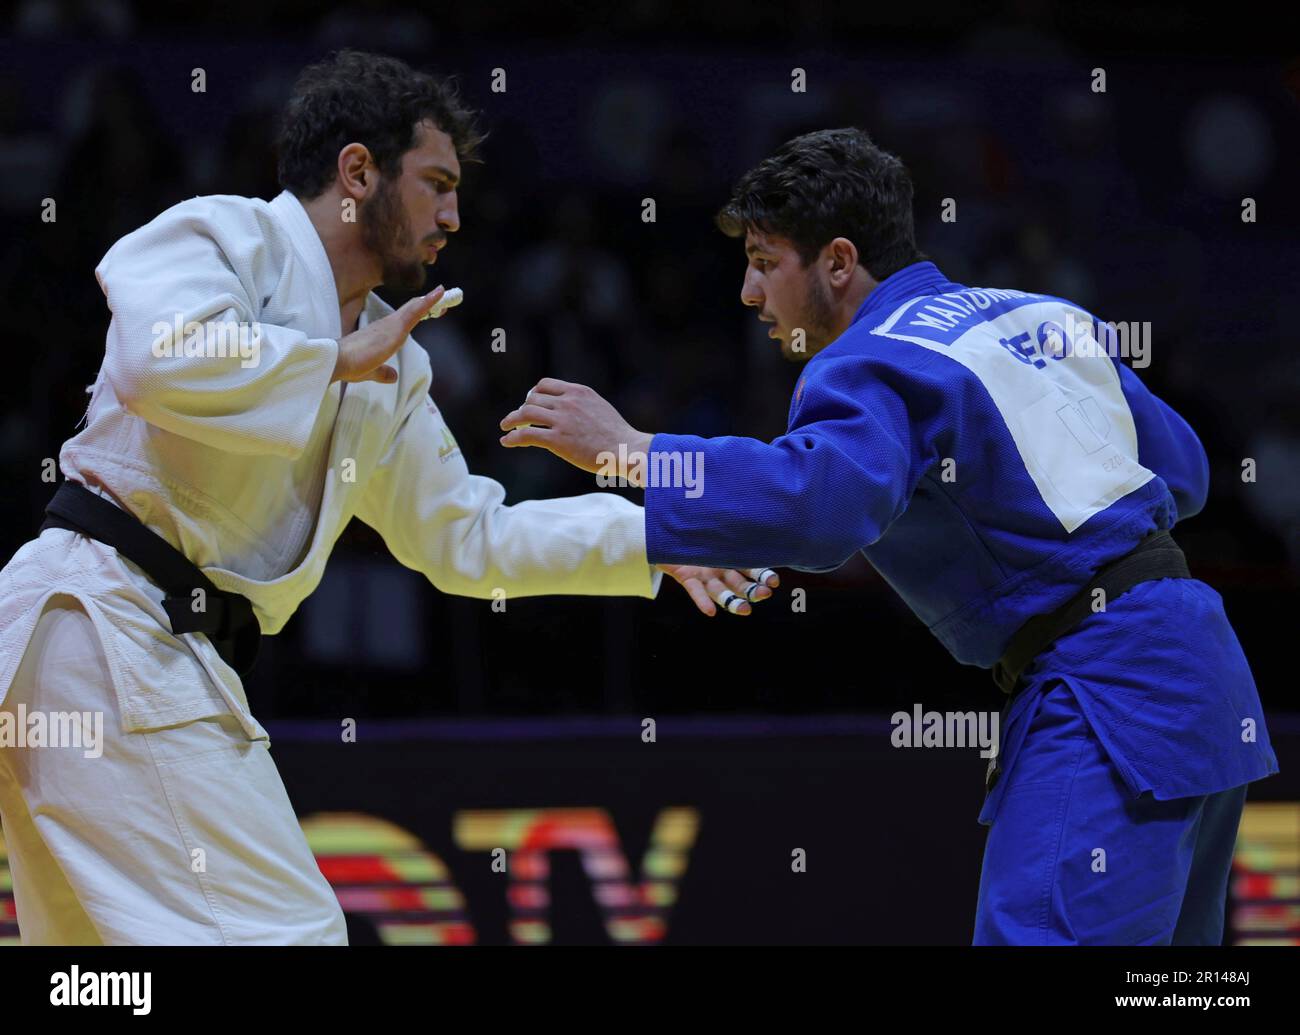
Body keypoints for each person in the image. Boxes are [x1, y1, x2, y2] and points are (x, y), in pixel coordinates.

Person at [0, 49, 776, 946]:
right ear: (357, 172)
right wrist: (331, 362)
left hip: (129, 655)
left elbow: (471, 539)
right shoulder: (225, 237)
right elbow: (154, 362)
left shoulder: (391, 359)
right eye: (436, 183)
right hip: (104, 628)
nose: (452, 215)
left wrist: (656, 537)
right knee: (288, 937)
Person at [498, 127, 1280, 945]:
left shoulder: (869, 361)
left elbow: (819, 507)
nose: (747, 292)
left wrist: (637, 452)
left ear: (838, 262)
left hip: (1105, 691)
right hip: (1202, 673)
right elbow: (1182, 472)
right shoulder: (1039, 313)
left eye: (766, 261)